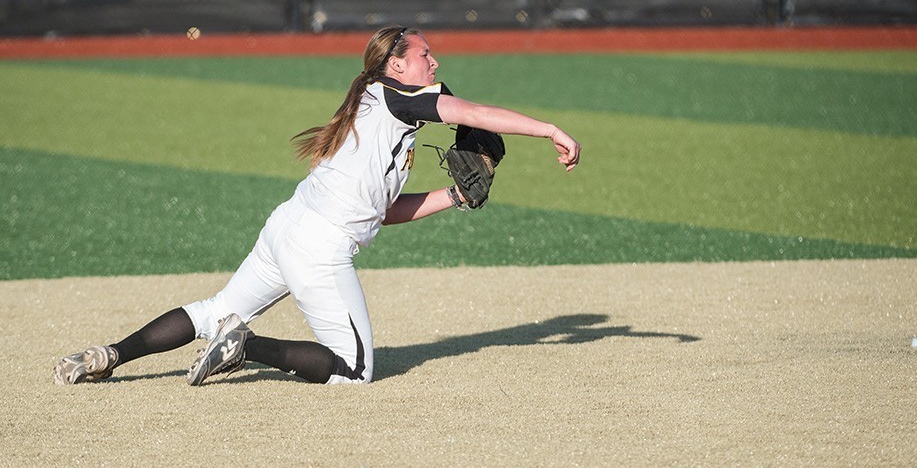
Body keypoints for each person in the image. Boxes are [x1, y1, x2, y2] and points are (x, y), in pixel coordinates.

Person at [53, 26, 580, 386]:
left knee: (215, 310)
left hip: (287, 228)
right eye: (425, 54)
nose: (434, 61)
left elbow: (381, 211)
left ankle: (111, 355)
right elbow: (473, 112)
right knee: (354, 370)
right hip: (319, 247)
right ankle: (246, 348)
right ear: (396, 65)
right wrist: (549, 129)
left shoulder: (378, 109)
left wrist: (454, 196)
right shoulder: (396, 96)